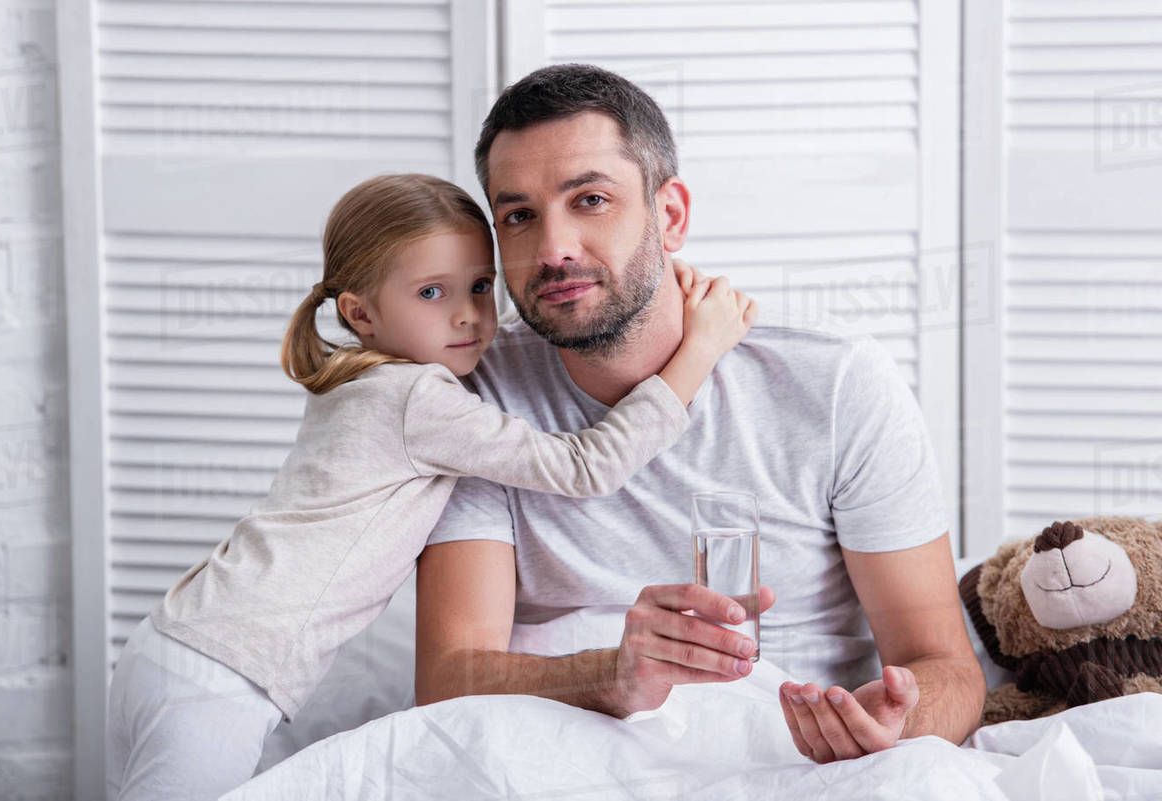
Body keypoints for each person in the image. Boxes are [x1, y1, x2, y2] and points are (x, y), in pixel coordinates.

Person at [105, 172, 757, 799]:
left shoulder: (360, 379)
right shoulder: (417, 396)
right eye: (431, 293)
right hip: (221, 669)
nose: (470, 316)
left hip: (174, 645)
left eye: (479, 286)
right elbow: (586, 466)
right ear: (361, 313)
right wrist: (698, 350)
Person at [414, 64, 987, 764]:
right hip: (560, 763)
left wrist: (893, 724)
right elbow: (449, 677)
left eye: (590, 199)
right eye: (519, 216)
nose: (554, 249)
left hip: (797, 761)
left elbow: (947, 667)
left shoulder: (834, 382)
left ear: (671, 215)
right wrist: (613, 674)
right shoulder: (473, 393)